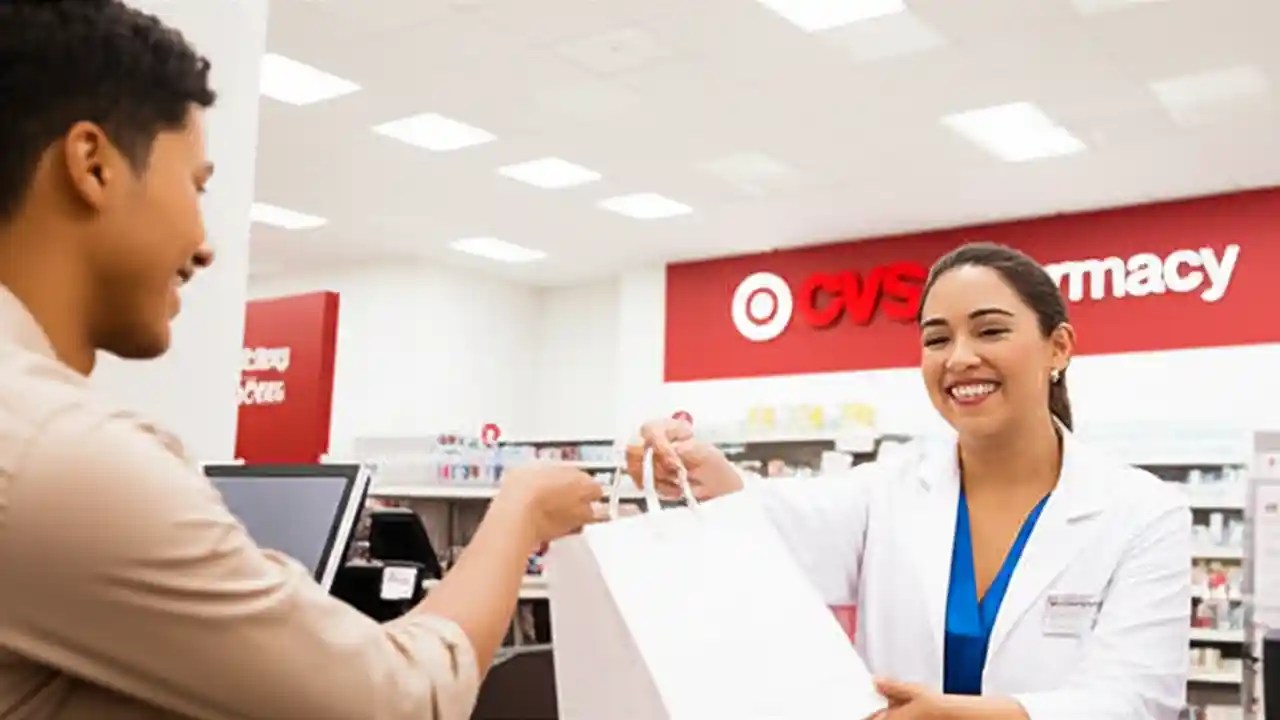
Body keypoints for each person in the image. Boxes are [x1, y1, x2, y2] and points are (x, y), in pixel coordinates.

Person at [0, 2, 602, 719]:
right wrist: (520, 513)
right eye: (196, 185)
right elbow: (399, 700)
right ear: (92, 164)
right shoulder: (58, 453)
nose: (204, 243)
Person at [631, 242, 1191, 719]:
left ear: (1059, 347)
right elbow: (772, 529)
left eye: (990, 330)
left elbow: (1137, 700)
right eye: (937, 339)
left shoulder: (1142, 511)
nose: (960, 358)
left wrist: (987, 717)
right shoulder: (888, 490)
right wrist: (694, 470)